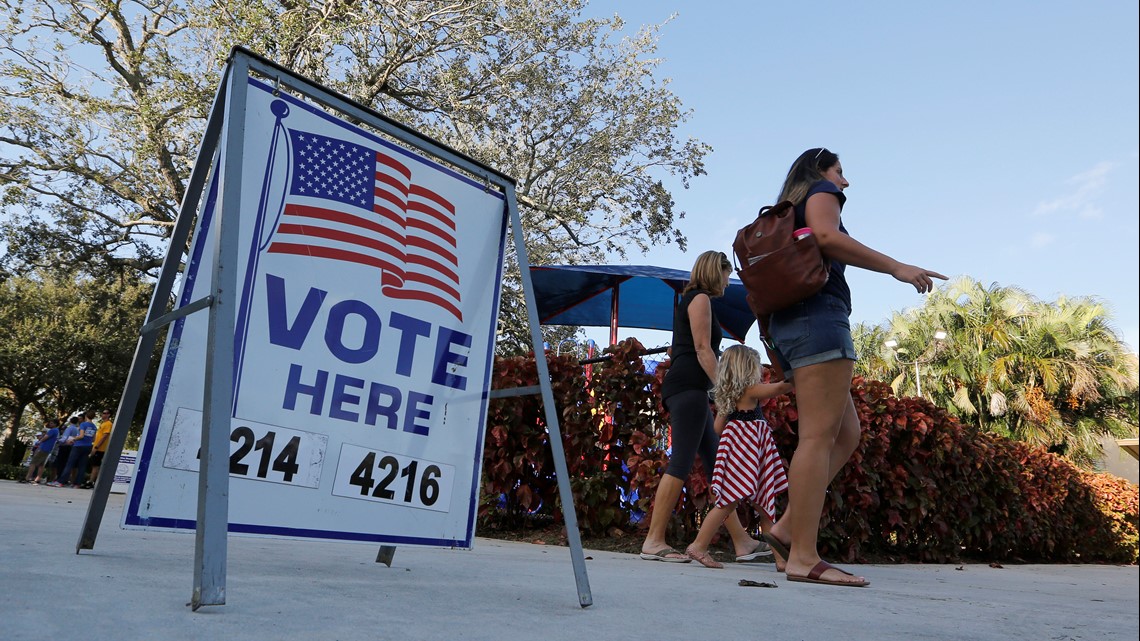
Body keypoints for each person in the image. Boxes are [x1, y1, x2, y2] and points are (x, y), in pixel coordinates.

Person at [760, 148, 947, 587]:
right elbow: (827, 237)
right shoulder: (820, 193)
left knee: (846, 434)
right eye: (840, 172)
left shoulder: (785, 213)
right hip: (819, 318)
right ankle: (804, 556)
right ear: (820, 172)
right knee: (818, 437)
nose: (845, 182)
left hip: (788, 322)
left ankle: (787, 531)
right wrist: (897, 267)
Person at [639, 250, 770, 563]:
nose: (727, 281)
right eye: (726, 274)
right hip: (689, 389)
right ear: (715, 272)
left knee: (716, 467)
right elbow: (702, 350)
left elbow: (688, 346)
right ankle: (653, 541)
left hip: (692, 388)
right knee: (681, 462)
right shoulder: (700, 299)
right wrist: (726, 393)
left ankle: (742, 542)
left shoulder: (696, 301)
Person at [683, 345, 793, 568]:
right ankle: (698, 545)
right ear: (749, 368)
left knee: (754, 504)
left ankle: (781, 560)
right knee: (739, 503)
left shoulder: (730, 397)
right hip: (749, 452)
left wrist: (736, 430)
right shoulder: (752, 390)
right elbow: (783, 387)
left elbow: (717, 428)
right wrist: (797, 370)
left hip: (739, 451)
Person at [50, 411, 97, 488]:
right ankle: (77, 484)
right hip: (88, 446)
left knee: (70, 464)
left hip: (78, 446)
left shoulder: (83, 424)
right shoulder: (94, 426)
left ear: (86, 416)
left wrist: (73, 439)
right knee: (82, 465)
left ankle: (61, 481)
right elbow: (94, 439)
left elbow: (81, 436)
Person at [22, 419, 60, 484]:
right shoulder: (57, 431)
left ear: (55, 424)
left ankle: (27, 478)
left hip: (43, 448)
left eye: (51, 423)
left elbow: (45, 437)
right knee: (41, 465)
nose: (50, 424)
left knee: (33, 463)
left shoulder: (52, 430)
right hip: (48, 449)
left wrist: (40, 441)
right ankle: (37, 479)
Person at [84, 409, 114, 488]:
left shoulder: (108, 424)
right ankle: (91, 481)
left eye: (105, 413)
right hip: (96, 447)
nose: (103, 414)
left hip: (100, 448)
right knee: (94, 465)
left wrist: (97, 447)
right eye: (102, 413)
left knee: (95, 466)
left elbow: (105, 436)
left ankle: (91, 482)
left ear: (109, 415)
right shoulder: (103, 423)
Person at [53, 415, 79, 483]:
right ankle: (65, 479)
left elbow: (64, 438)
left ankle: (59, 478)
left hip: (64, 446)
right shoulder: (77, 429)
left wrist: (58, 441)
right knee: (67, 463)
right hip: (72, 446)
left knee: (61, 463)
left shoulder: (69, 429)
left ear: (70, 421)